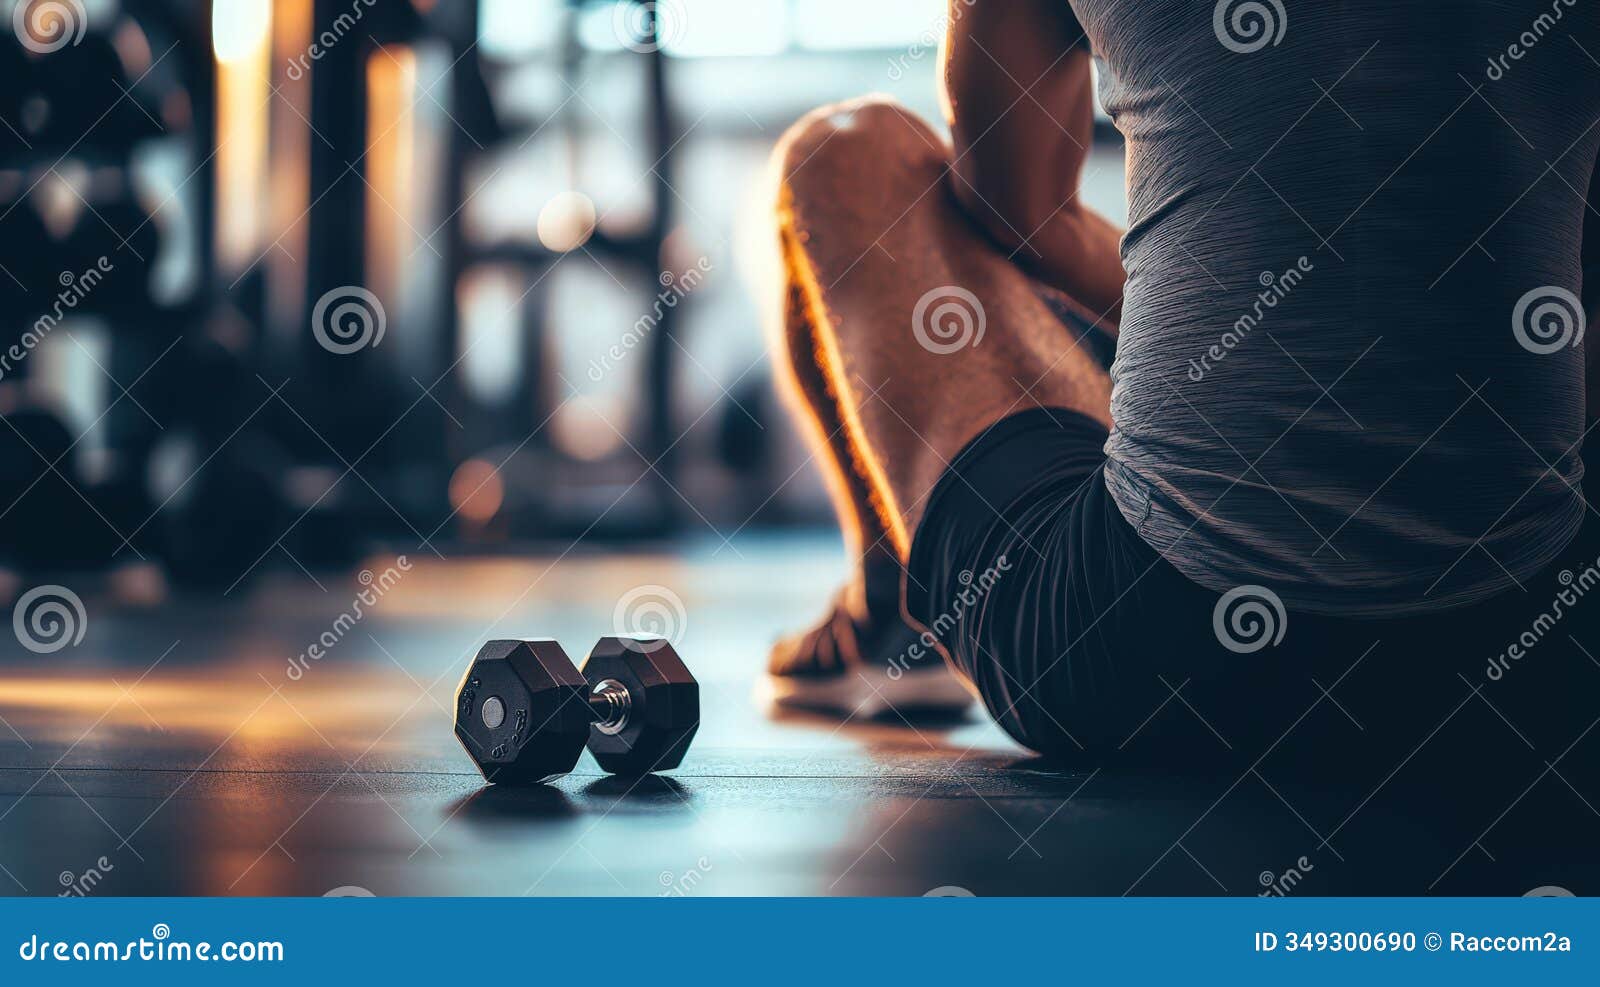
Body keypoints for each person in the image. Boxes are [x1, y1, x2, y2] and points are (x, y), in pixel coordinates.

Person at [763, 0, 1600, 769]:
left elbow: (1013, 213)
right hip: (1533, 662)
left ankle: (886, 617)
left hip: (1150, 655)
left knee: (846, 148)